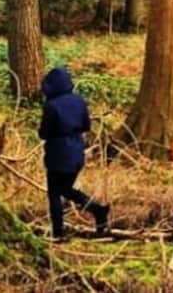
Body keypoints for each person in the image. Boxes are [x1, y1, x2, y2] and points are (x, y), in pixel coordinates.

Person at [38, 67, 110, 240]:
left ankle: (58, 232)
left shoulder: (51, 105)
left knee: (55, 192)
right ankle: (97, 210)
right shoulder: (79, 101)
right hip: (77, 151)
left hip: (58, 154)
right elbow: (86, 125)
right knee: (66, 189)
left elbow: (44, 132)